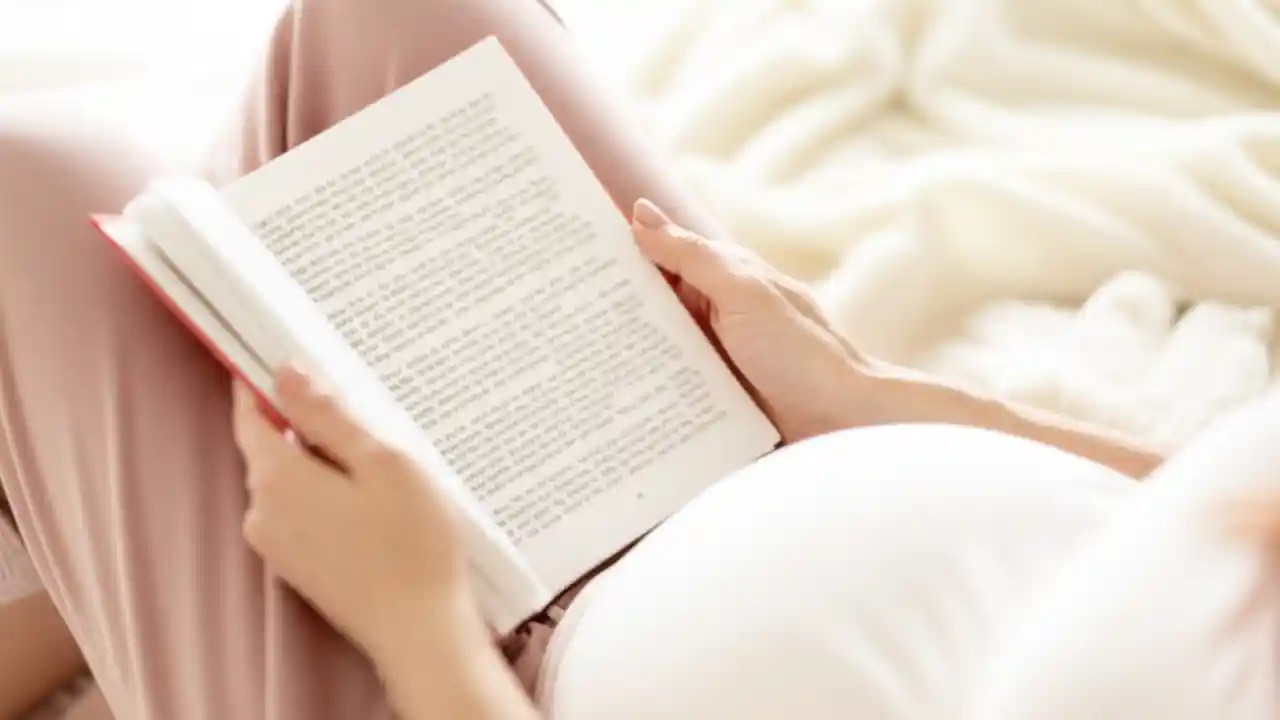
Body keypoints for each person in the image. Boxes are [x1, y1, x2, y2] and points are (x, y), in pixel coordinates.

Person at [1, 0, 1276, 717]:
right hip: (710, 454)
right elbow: (1208, 507)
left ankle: (76, 577)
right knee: (401, 14)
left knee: (35, 185)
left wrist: (418, 618)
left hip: (476, 680)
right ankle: (103, 532)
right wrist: (873, 399)